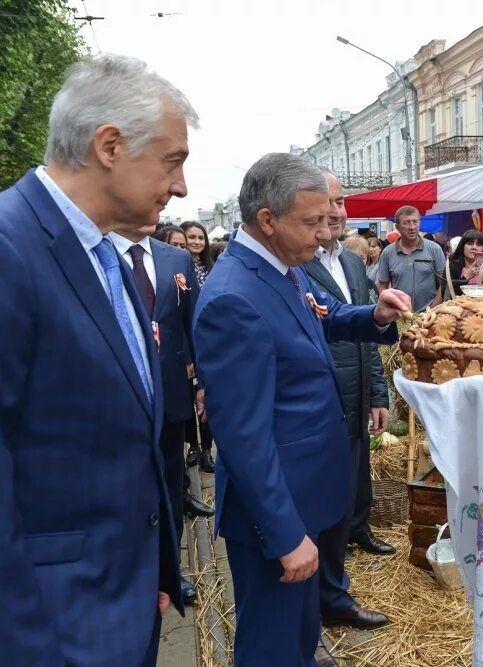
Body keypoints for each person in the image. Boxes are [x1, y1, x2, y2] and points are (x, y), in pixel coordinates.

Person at [0, 53, 196, 666]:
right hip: (48, 630)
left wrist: (155, 568)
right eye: (172, 161)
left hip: (124, 605)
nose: (181, 187)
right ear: (109, 145)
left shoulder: (108, 255)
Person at [192, 153, 411, 667]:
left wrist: (373, 315)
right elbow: (243, 436)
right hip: (278, 516)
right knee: (272, 646)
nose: (324, 234)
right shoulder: (234, 297)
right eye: (312, 222)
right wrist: (287, 535)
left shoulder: (280, 269)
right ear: (267, 219)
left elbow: (325, 314)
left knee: (298, 635)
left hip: (305, 497)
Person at [301, 169, 392, 650]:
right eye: (328, 202)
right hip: (320, 408)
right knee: (317, 511)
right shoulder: (296, 264)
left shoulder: (354, 264)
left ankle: (335, 596)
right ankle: (308, 614)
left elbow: (366, 335)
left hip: (355, 400)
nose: (338, 211)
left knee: (341, 507)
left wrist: (378, 394)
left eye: (341, 201)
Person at [110, 218, 213, 608]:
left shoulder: (176, 260)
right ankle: (131, 573)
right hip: (121, 399)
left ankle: (170, 571)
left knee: (171, 488)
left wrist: (202, 380)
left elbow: (194, 322)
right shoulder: (98, 254)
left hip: (171, 395)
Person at [181, 219, 216, 473]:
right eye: (190, 237)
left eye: (199, 237)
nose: (195, 242)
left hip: (209, 342)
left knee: (208, 399)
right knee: (188, 400)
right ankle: (192, 446)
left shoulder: (212, 268)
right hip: (185, 344)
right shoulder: (177, 268)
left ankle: (207, 450)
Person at [375, 205, 446, 311]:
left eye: (415, 221)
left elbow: (443, 284)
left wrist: (432, 309)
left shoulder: (434, 249)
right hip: (399, 314)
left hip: (429, 313)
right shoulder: (388, 253)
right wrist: (391, 307)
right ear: (397, 227)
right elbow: (382, 286)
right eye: (406, 222)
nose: (412, 227)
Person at [445, 228, 483, 296]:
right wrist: (466, 277)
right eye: (470, 244)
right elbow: (449, 293)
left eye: (478, 244)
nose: (474, 247)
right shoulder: (451, 266)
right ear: (462, 246)